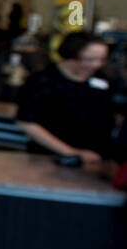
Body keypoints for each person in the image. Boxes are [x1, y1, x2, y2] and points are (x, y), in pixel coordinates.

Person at [15, 32, 118, 165]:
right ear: (70, 56)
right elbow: (26, 122)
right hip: (49, 158)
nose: (96, 65)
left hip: (96, 160)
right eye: (89, 59)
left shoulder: (104, 79)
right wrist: (70, 152)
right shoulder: (42, 81)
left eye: (102, 59)